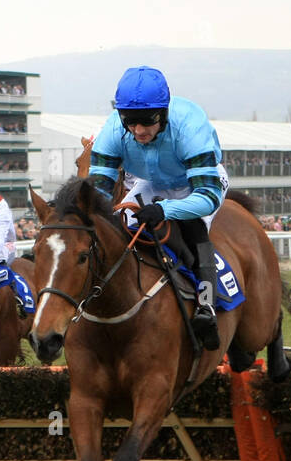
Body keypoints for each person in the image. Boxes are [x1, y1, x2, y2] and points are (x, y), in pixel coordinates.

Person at [87, 66, 228, 349]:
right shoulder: (113, 129)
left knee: (194, 228)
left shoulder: (190, 125)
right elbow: (97, 194)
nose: (138, 130)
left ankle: (206, 307)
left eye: (147, 121)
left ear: (163, 113)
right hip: (152, 182)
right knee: (117, 223)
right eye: (130, 121)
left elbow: (208, 197)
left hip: (198, 184)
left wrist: (166, 211)